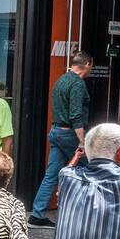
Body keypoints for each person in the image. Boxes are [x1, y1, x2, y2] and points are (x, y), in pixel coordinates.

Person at [30, 51, 92, 227]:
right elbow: (75, 115)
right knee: (91, 170)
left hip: (56, 131)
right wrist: (82, 141)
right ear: (87, 64)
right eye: (91, 66)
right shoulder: (78, 84)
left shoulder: (61, 80)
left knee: (51, 175)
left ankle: (37, 214)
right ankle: (86, 214)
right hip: (69, 134)